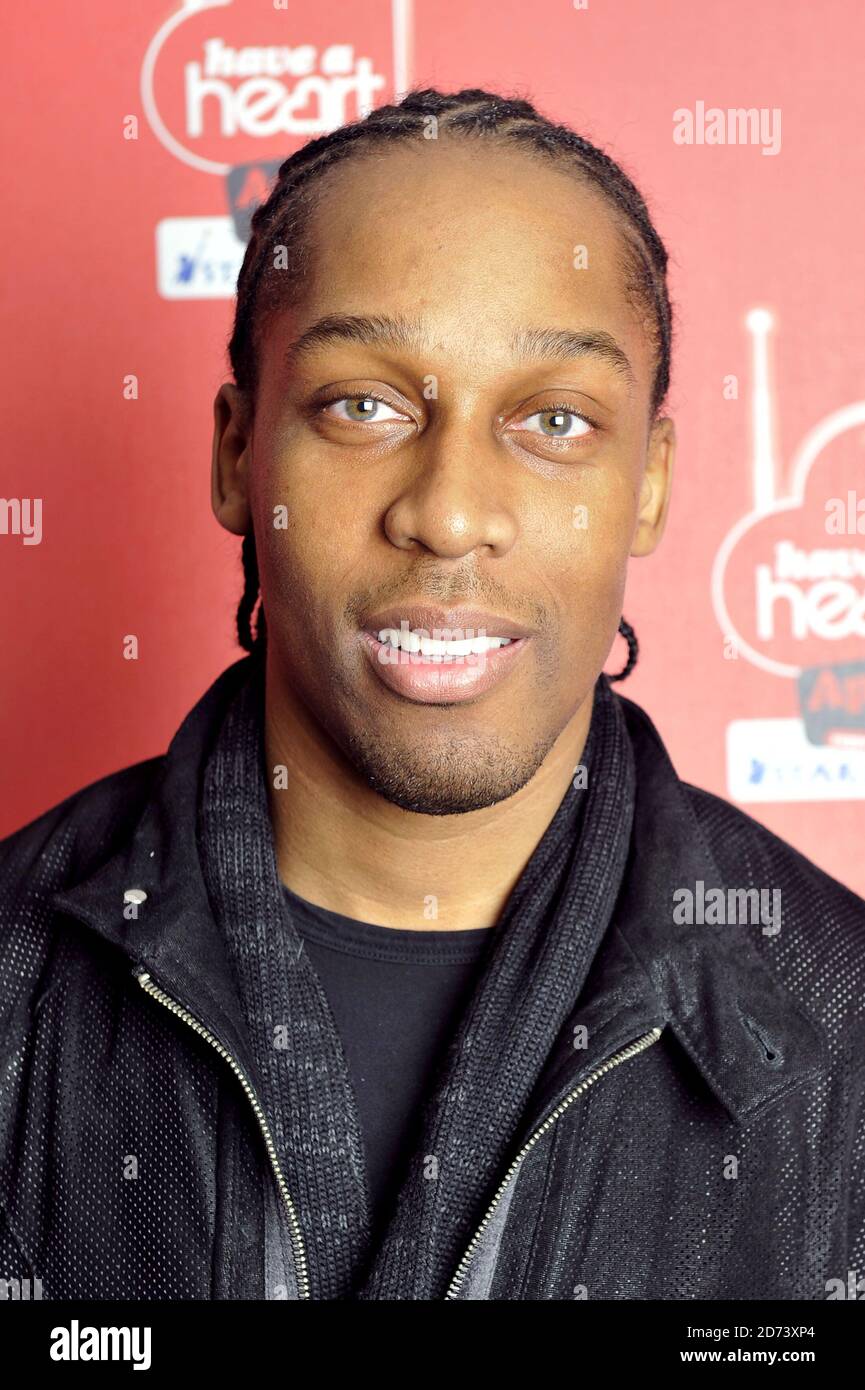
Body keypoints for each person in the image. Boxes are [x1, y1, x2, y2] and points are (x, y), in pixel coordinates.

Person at [1, 87, 863, 1302]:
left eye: (555, 420)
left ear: (649, 486)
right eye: (364, 406)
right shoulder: (12, 978)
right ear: (240, 454)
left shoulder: (844, 1036)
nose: (449, 511)